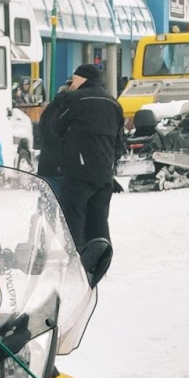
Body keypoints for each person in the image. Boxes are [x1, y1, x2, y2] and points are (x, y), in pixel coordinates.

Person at [47, 63, 125, 252]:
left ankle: (76, 261)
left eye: (74, 79)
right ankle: (100, 261)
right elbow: (120, 142)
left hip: (78, 172)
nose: (72, 83)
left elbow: (55, 127)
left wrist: (61, 102)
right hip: (104, 174)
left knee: (74, 219)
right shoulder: (114, 103)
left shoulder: (75, 99)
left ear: (82, 79)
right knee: (99, 220)